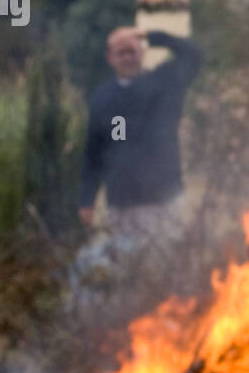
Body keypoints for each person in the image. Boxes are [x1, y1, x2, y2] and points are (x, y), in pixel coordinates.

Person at [78, 26, 202, 240]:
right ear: (110, 58)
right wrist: (86, 201)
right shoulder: (103, 98)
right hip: (122, 206)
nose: (128, 58)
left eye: (132, 51)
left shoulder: (166, 82)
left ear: (142, 53)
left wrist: (149, 35)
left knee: (165, 267)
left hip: (164, 200)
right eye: (121, 53)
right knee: (126, 269)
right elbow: (93, 154)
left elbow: (193, 54)